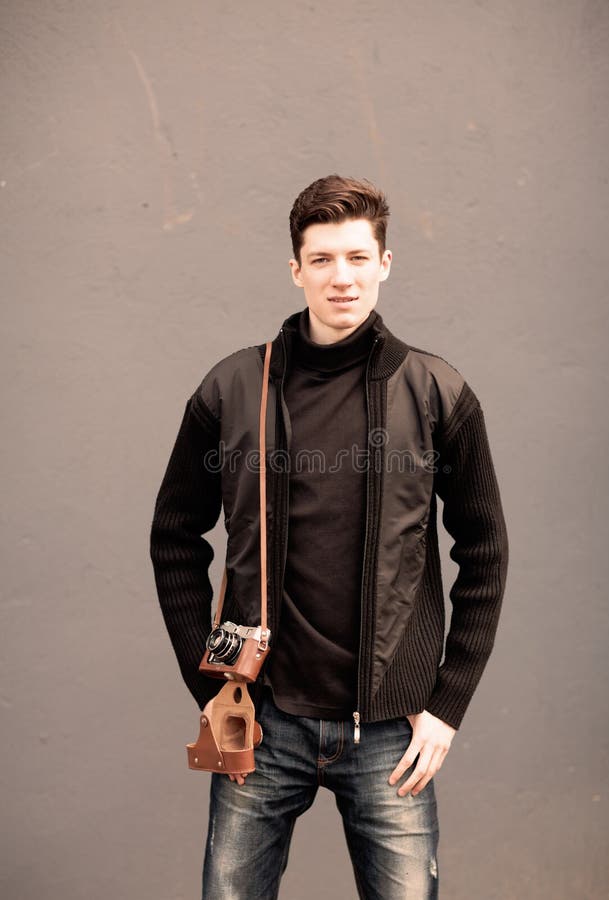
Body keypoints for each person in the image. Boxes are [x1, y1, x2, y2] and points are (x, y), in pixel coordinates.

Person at [149, 174, 509, 900]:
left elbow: (486, 552)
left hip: (390, 732)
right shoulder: (233, 388)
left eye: (356, 257)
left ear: (384, 263)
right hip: (263, 719)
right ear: (296, 270)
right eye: (321, 259)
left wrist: (448, 704)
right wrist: (208, 684)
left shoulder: (437, 392)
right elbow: (174, 537)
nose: (341, 277)